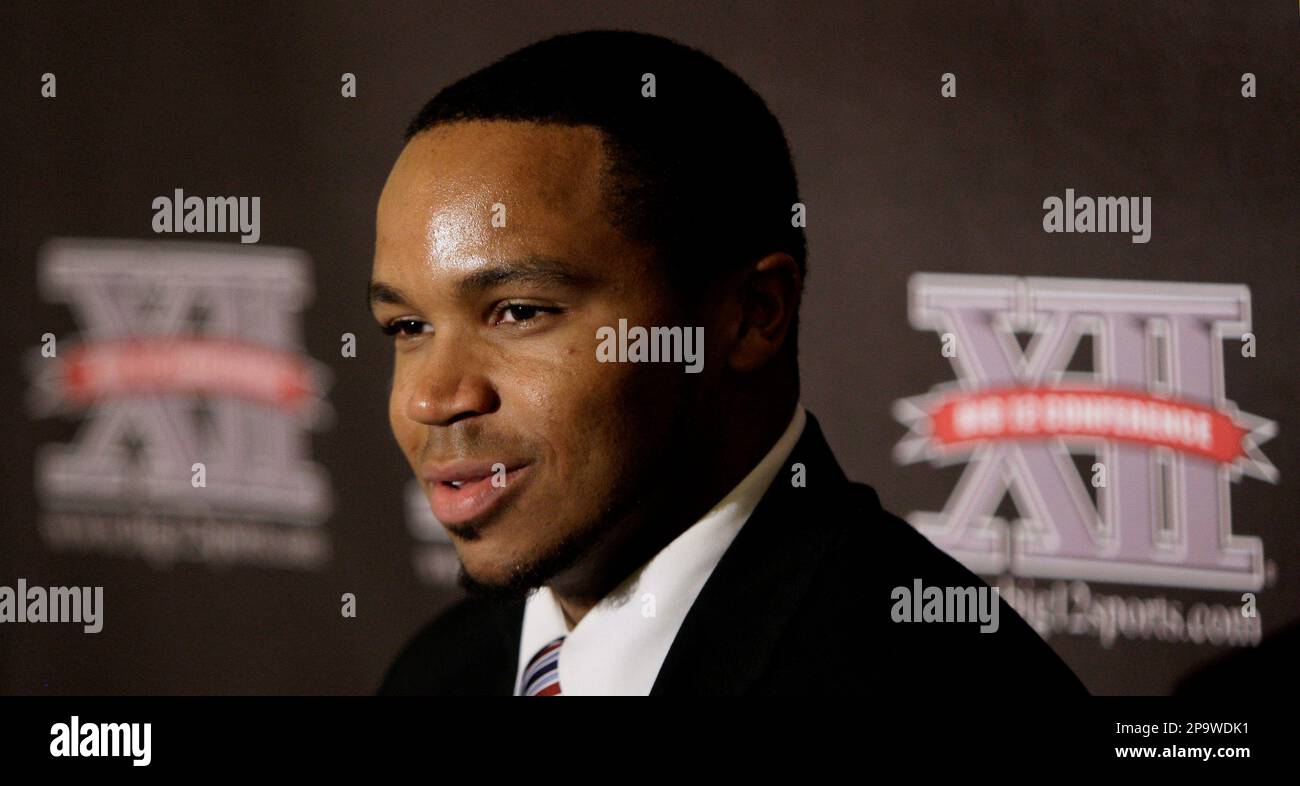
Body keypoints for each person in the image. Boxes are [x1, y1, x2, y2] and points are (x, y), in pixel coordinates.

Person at [371, 30, 1087, 696]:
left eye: (521, 311)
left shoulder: (941, 680)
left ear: (753, 314)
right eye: (407, 326)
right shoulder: (438, 676)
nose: (432, 398)